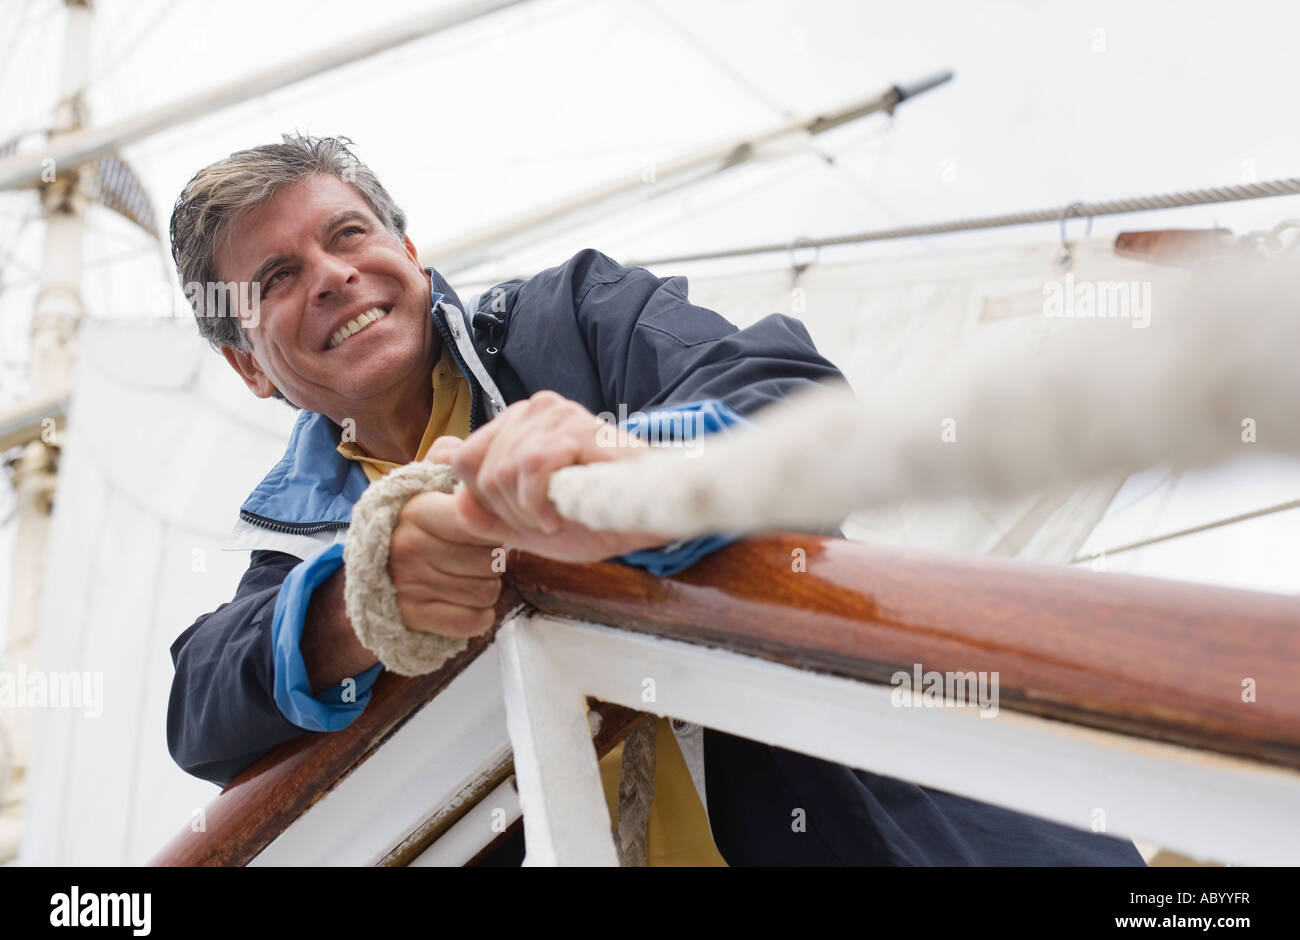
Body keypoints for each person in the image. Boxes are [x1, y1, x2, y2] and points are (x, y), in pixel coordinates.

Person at [166, 133, 1145, 866]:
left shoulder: (576, 317)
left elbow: (784, 390)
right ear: (250, 366)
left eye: (349, 234)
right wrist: (356, 605)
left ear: (411, 253)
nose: (334, 275)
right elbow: (199, 706)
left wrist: (632, 463)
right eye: (279, 277)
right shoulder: (292, 552)